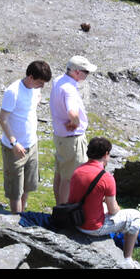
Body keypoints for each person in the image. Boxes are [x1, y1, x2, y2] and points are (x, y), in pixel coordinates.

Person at [67, 137, 140, 267]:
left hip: (75, 220)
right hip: (93, 228)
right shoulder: (106, 177)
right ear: (106, 154)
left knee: (103, 205)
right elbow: (113, 210)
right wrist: (117, 208)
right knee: (136, 216)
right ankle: (127, 259)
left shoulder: (78, 170)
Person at [0, 60, 52, 213]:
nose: (42, 86)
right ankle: (17, 222)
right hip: (14, 148)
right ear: (30, 77)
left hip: (32, 144)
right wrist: (14, 142)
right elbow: (2, 119)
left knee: (28, 186)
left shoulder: (34, 89)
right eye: (40, 82)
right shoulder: (13, 92)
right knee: (15, 190)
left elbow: (29, 107)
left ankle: (22, 215)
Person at [50, 55, 95, 203]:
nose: (87, 75)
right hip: (72, 139)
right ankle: (63, 210)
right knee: (69, 178)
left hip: (60, 136)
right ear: (76, 71)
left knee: (61, 173)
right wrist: (74, 122)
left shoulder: (58, 81)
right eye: (86, 72)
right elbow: (72, 112)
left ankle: (59, 207)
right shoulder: (69, 89)